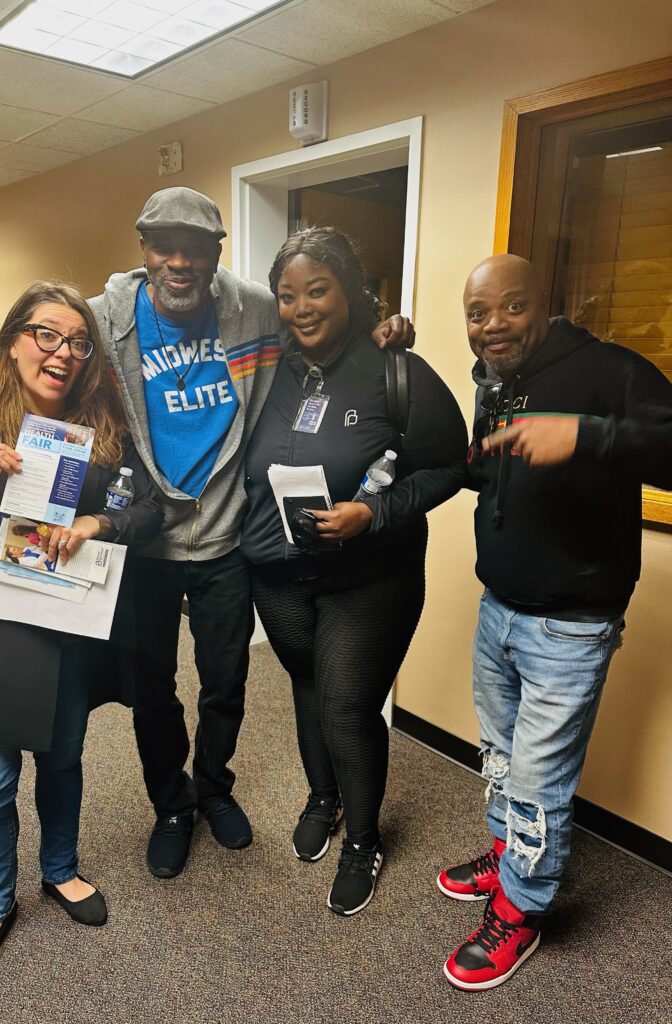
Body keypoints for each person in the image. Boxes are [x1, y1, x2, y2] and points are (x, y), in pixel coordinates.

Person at [0, 187, 414, 881]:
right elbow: (33, 348)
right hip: (142, 544)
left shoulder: (254, 307)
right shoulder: (105, 313)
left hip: (225, 541)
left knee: (226, 681)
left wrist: (383, 330)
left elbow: (324, 320)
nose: (179, 261)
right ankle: (172, 805)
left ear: (216, 254)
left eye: (196, 248)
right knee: (151, 687)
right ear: (143, 248)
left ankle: (213, 787)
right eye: (164, 245)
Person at [0, 282, 164, 987]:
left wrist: (98, 525)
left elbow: (148, 511)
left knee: (63, 762)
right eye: (47, 335)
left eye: (78, 341)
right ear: (14, 338)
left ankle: (60, 870)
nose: (63, 353)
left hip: (64, 632)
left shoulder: (101, 426)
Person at [439, 254, 672, 990]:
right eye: (478, 313)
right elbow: (488, 472)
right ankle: (512, 859)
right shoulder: (498, 381)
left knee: (539, 780)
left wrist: (587, 436)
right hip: (499, 609)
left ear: (547, 303)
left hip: (571, 627)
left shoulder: (609, 371)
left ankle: (524, 910)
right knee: (503, 761)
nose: (492, 326)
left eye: (511, 307)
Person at [239, 227, 467, 916]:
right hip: (276, 574)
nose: (301, 308)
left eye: (317, 290)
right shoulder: (269, 366)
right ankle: (323, 798)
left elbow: (453, 466)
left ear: (349, 293)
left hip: (369, 577)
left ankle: (362, 841)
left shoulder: (393, 368)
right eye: (287, 295)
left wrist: (376, 510)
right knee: (309, 687)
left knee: (346, 705)